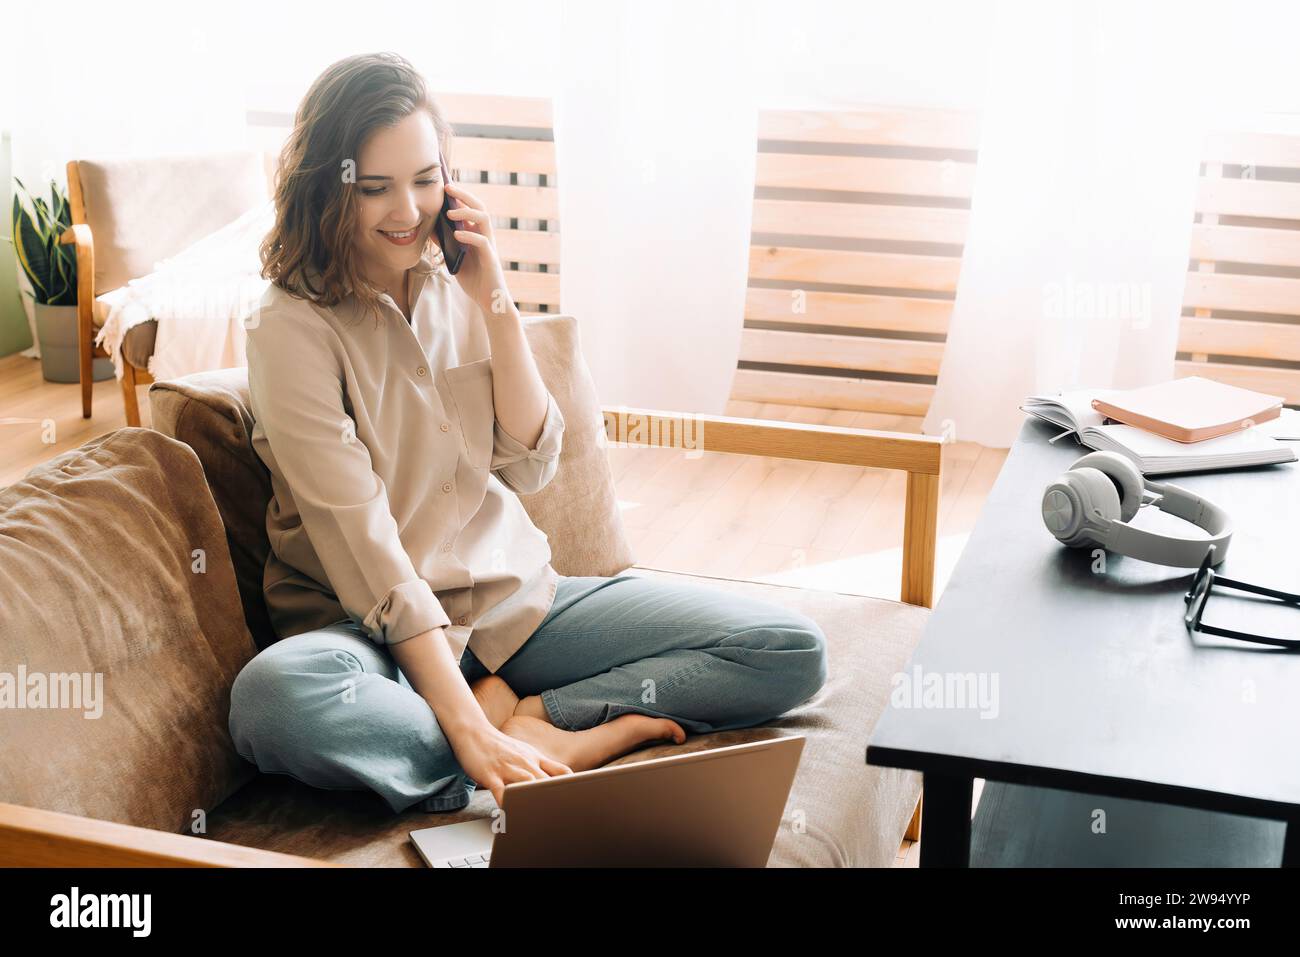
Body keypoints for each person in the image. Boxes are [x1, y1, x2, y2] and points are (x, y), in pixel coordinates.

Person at [228, 52, 828, 815]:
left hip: (516, 607)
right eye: (373, 188)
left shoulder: (454, 280)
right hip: (370, 637)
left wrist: (498, 304)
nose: (408, 210)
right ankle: (491, 739)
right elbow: (368, 554)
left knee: (789, 650)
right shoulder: (288, 328)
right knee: (271, 701)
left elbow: (533, 460)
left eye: (424, 177)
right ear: (325, 188)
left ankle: (543, 726)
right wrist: (466, 722)